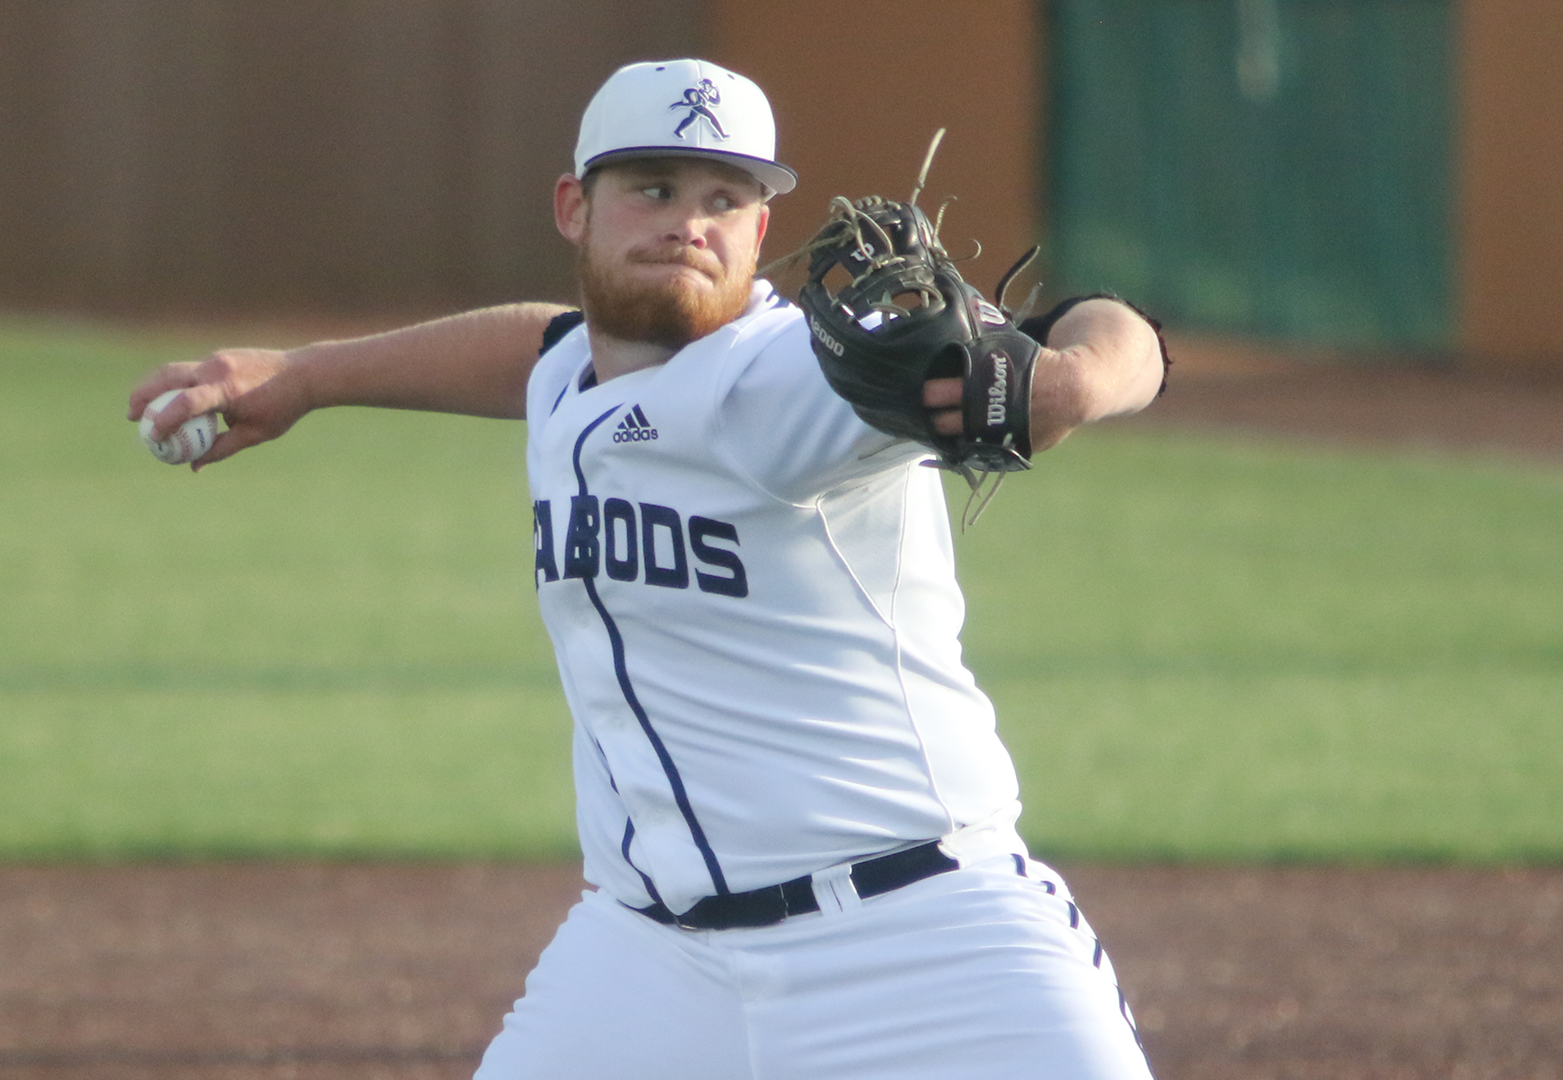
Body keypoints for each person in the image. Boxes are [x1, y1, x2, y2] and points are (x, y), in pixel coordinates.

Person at [130, 58, 1164, 1080]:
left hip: (925, 939)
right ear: (574, 208)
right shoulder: (571, 374)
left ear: (760, 230)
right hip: (651, 956)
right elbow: (540, 348)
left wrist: (1078, 378)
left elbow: (1117, 341)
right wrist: (304, 377)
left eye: (724, 199)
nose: (688, 224)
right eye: (654, 190)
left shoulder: (798, 379)